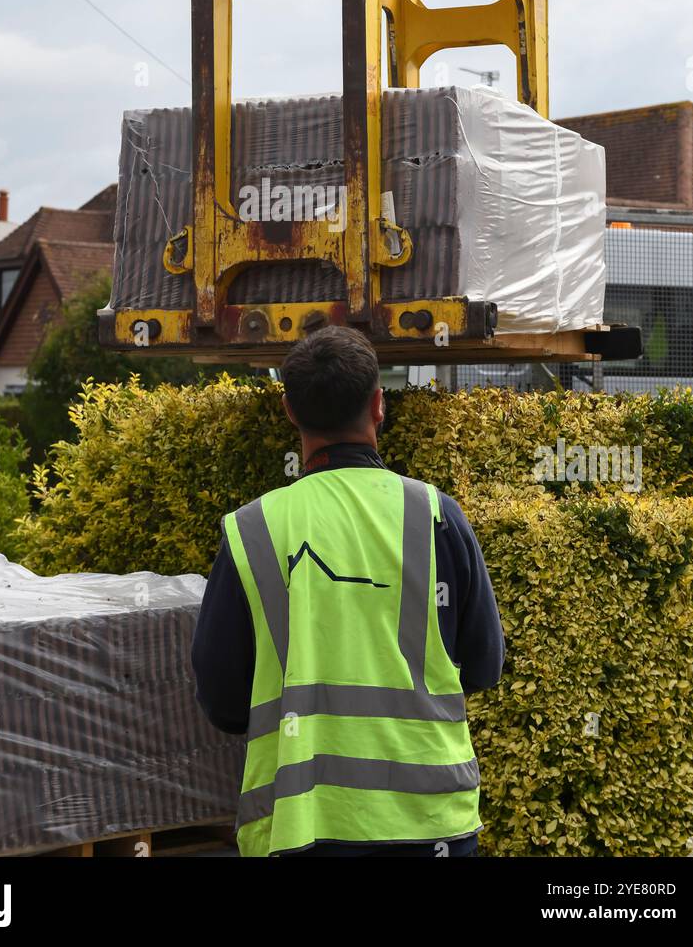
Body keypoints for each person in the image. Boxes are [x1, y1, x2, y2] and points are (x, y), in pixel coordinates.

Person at [191, 325, 505, 857]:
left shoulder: (253, 529)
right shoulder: (435, 516)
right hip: (431, 828)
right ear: (379, 405)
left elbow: (223, 703)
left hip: (300, 827)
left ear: (290, 411)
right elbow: (483, 667)